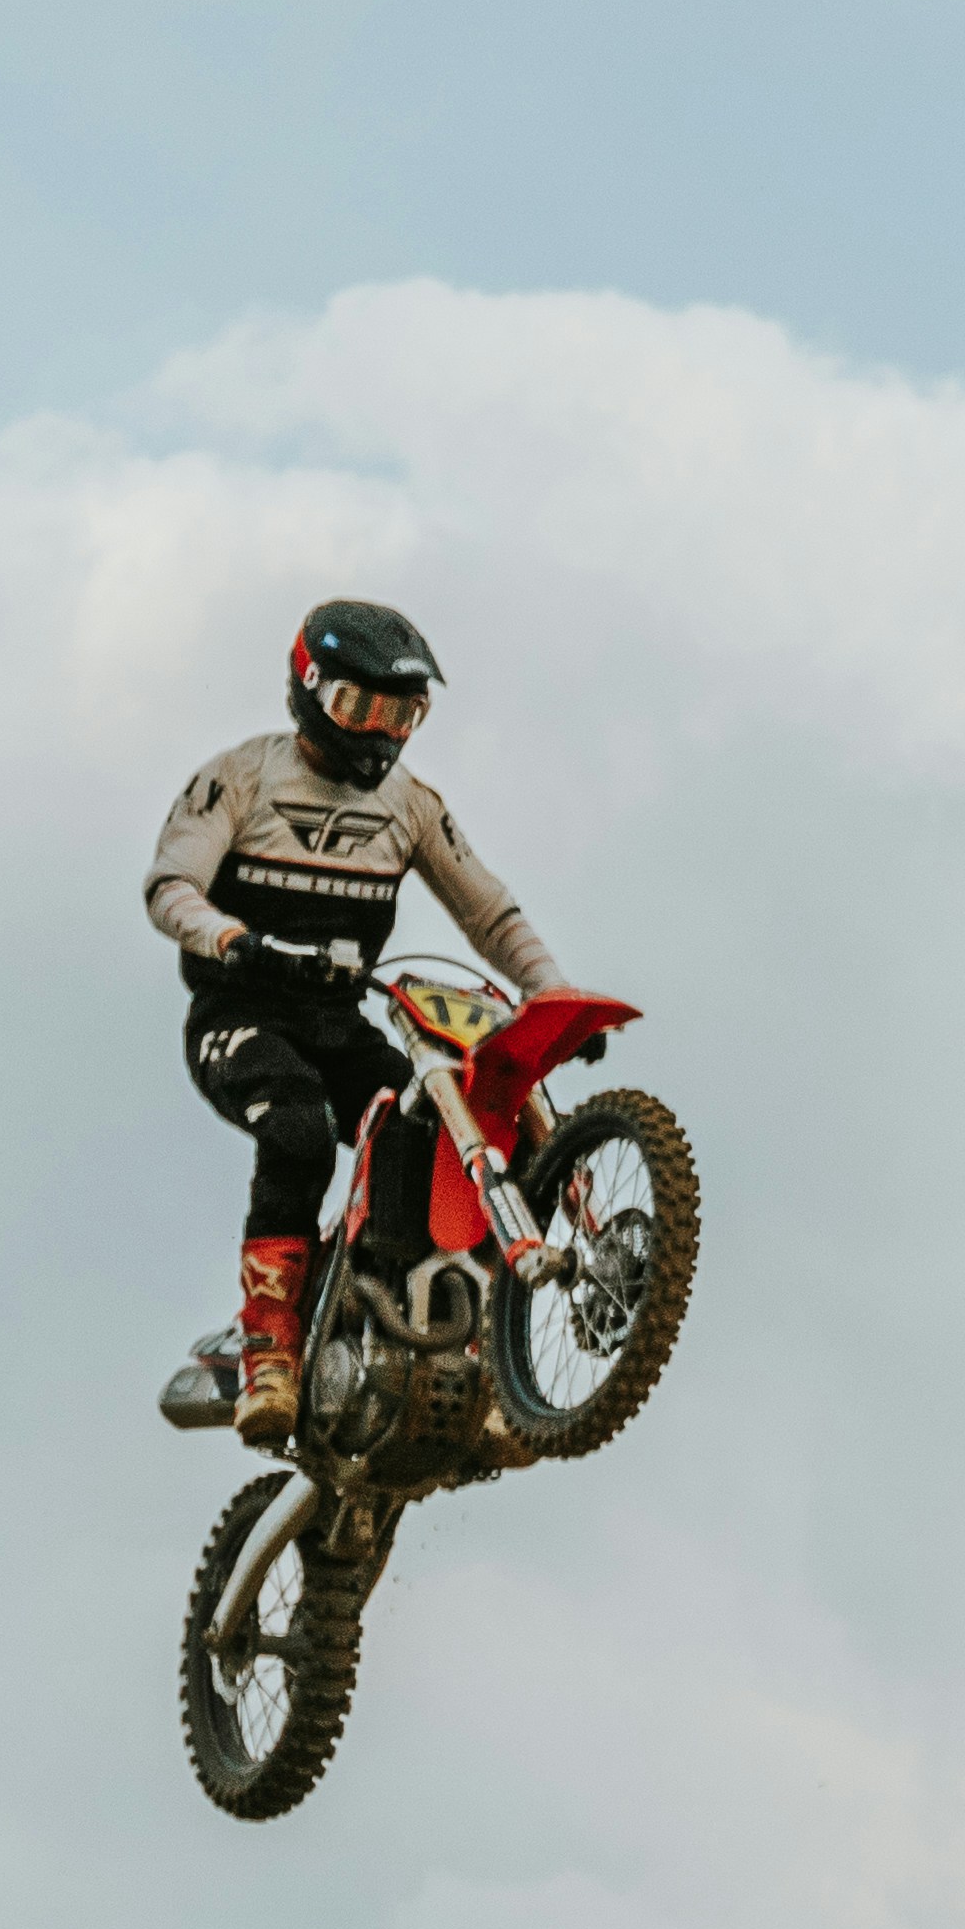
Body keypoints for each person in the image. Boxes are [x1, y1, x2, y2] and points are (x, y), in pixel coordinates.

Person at [146, 599, 569, 1446]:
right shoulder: (242, 777)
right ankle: (269, 1350)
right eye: (360, 709)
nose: (379, 735)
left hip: (340, 1022)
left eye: (403, 715)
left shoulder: (410, 805)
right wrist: (233, 940)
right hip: (242, 1013)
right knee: (300, 1128)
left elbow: (488, 914)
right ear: (308, 690)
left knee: (428, 1138)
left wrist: (551, 994)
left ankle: (433, 1338)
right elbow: (170, 888)